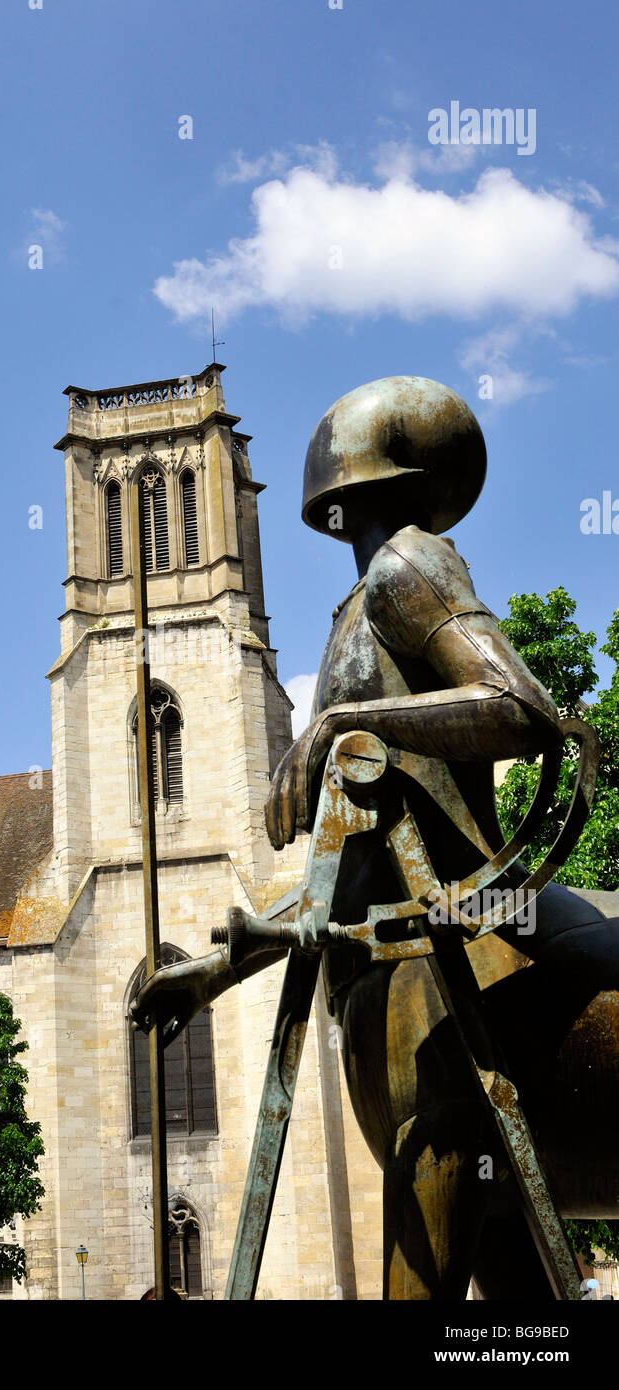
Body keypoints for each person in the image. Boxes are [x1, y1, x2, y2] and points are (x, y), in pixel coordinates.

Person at [132, 377, 619, 1299]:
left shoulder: (409, 563)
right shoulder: (358, 604)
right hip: (397, 957)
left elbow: (519, 708)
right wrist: (215, 969)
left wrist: (340, 730)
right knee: (517, 1305)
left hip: (445, 968)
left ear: (342, 485)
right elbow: (358, 865)